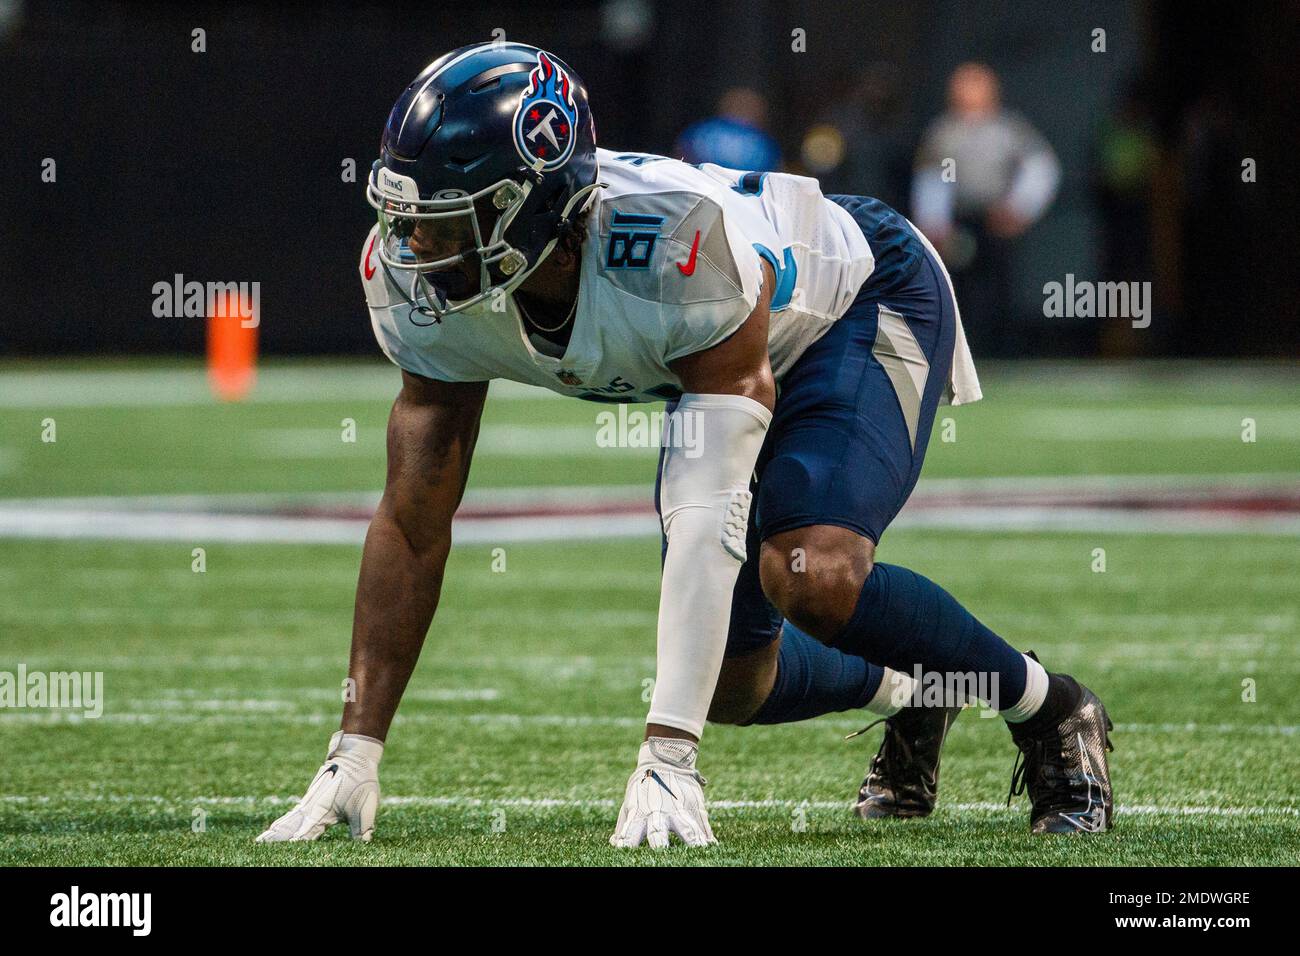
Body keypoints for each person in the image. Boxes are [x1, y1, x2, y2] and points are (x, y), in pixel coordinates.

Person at [257, 42, 1113, 849]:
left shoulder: (671, 248)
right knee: (737, 685)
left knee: (810, 569)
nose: (415, 249)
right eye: (410, 220)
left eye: (449, 224)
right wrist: (355, 747)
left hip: (854, 297)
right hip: (730, 339)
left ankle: (1052, 708)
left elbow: (706, 506)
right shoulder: (416, 281)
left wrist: (668, 754)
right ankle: (920, 684)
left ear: (535, 206)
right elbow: (413, 520)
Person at [912, 63, 1060, 356]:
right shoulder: (943, 132)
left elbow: (1040, 167)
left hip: (997, 218)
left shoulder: (1008, 129)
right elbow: (931, 177)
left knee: (1001, 287)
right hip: (961, 221)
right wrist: (934, 222)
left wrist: (1019, 207)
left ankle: (1004, 351)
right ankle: (964, 352)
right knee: (958, 288)